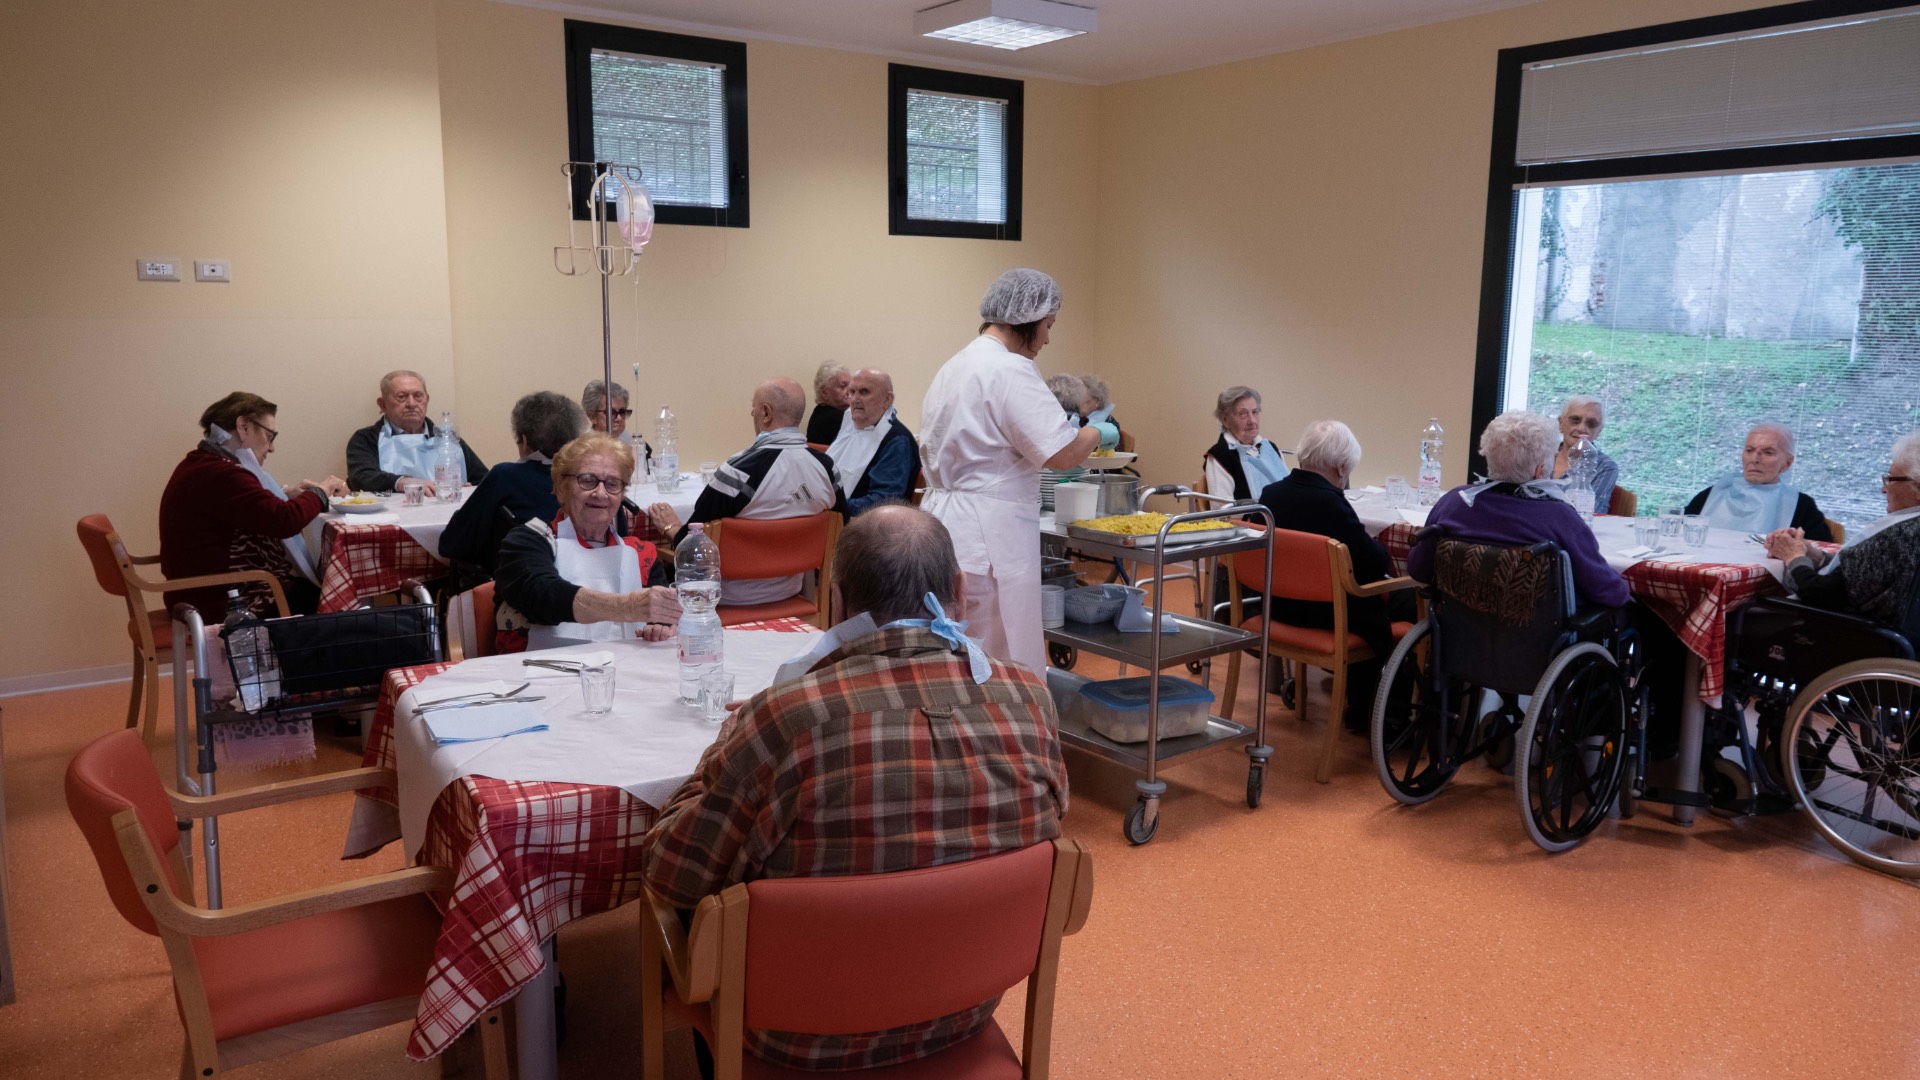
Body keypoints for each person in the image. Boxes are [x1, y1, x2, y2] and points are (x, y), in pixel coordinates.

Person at [640, 504, 1067, 1073]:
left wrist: (727, 745)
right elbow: (1051, 821)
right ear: (959, 592)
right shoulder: (1030, 701)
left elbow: (672, 871)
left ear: (837, 602)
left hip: (794, 1035)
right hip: (962, 1007)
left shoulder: (787, 719)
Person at [920, 268, 1115, 672]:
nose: (1047, 338)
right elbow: (1061, 453)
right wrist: (1097, 431)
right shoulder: (1010, 369)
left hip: (943, 527)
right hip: (990, 535)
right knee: (993, 654)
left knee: (953, 648)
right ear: (1028, 319)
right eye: (1048, 325)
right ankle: (1001, 735)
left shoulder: (953, 366)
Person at [1258, 420, 1413, 730]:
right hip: (1325, 616)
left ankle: (1361, 705)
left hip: (1277, 607)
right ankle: (1386, 713)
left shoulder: (1270, 495)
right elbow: (1372, 564)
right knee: (1411, 600)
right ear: (1342, 467)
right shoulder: (1330, 503)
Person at [646, 377, 845, 606]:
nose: (752, 412)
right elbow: (842, 527)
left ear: (766, 413)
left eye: (754, 407)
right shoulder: (827, 469)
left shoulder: (738, 473)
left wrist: (671, 527)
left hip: (728, 599)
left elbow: (693, 544)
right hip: (791, 592)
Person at [1410, 410, 1629, 609]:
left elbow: (1419, 569)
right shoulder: (1559, 517)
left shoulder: (1454, 502)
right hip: (1537, 643)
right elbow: (1609, 593)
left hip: (1461, 635)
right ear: (1540, 470)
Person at [159, 392, 347, 619]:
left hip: (202, 591)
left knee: (321, 593)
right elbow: (283, 521)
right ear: (243, 426)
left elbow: (251, 509)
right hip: (223, 599)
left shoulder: (201, 463)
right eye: (270, 435)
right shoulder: (222, 474)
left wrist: (287, 495)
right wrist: (322, 491)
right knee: (334, 599)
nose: (272, 448)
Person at [492, 433, 679, 652]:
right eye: (587, 480)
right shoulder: (529, 539)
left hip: (624, 671)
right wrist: (629, 607)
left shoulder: (640, 554)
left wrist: (662, 627)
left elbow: (663, 617)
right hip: (539, 672)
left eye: (612, 484)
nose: (601, 493)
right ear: (561, 489)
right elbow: (542, 595)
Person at [1767, 431, 1920, 626]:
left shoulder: (1901, 536)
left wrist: (1794, 556)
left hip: (1855, 636)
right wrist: (1816, 557)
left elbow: (1817, 594)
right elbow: (1862, 574)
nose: (1884, 489)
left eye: (1890, 479)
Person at [439, 392, 587, 580]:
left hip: (523, 584)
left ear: (524, 441)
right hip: (586, 581)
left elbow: (451, 543)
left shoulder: (505, 476)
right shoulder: (596, 480)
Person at [344, 369, 488, 494]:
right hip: (390, 520)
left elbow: (483, 479)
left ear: (427, 400)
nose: (412, 404)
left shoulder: (446, 437)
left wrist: (469, 490)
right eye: (402, 397)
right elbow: (361, 477)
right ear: (383, 404)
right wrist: (403, 482)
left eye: (418, 396)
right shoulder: (365, 438)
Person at [1684, 423, 1832, 540]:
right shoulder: (1713, 495)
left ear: (1787, 463)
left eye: (1768, 452)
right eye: (1749, 450)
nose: (1755, 459)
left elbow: (1823, 553)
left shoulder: (1801, 506)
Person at [828, 368, 918, 515]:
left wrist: (831, 503)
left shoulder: (896, 441)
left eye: (864, 392)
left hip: (867, 528)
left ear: (887, 399)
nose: (855, 399)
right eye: (852, 392)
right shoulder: (850, 427)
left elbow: (883, 502)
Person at [1204, 386, 1289, 502]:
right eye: (1243, 414)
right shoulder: (1220, 456)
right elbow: (1222, 512)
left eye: (1255, 412)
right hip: (1251, 519)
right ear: (1225, 420)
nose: (1252, 421)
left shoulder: (1271, 448)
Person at [1549, 396, 1618, 513]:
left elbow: (1590, 512)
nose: (1582, 428)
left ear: (1599, 431)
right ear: (1561, 423)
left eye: (1591, 423)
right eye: (1575, 420)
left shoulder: (1605, 466)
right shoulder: (1539, 454)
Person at [807, 361, 851, 445]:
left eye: (850, 385)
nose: (850, 391)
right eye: (843, 386)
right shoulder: (832, 418)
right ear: (824, 392)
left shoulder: (820, 411)